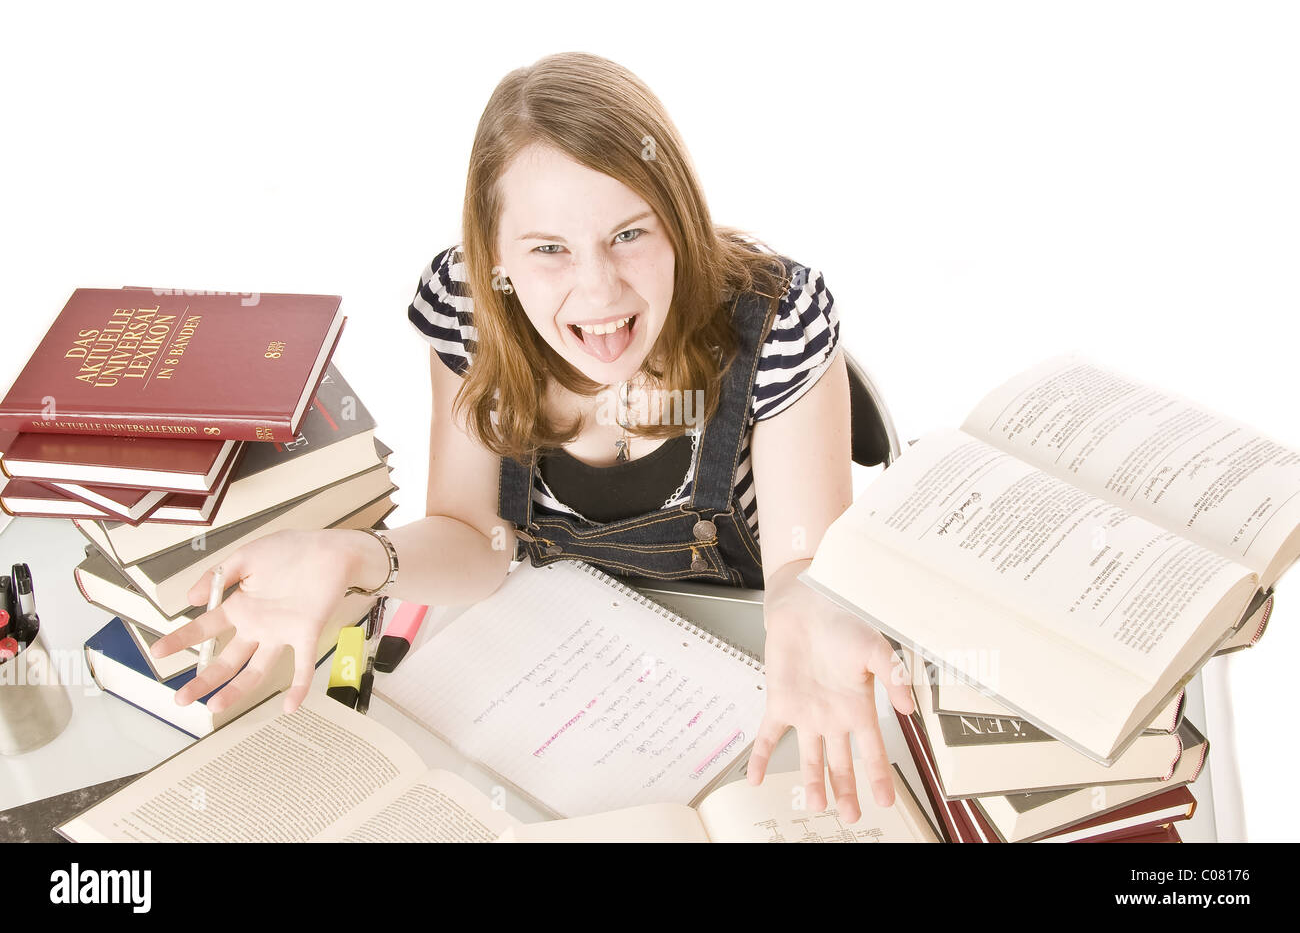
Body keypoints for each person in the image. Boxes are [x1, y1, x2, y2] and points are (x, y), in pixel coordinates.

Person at [152, 51, 915, 823]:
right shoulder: (468, 310)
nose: (598, 290)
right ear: (497, 262)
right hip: (566, 683)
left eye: (628, 233)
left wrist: (810, 595)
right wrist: (361, 558)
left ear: (679, 222)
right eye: (548, 249)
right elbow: (471, 539)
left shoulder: (776, 317)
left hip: (759, 686)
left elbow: (798, 566)